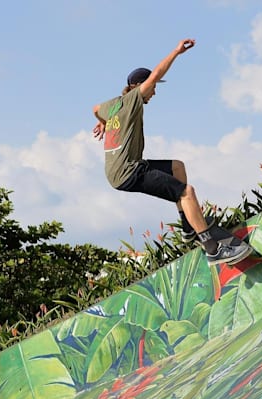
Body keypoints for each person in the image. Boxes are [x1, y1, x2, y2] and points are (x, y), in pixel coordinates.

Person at [93, 38, 252, 266]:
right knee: (186, 192)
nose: (154, 93)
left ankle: (188, 227)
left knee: (177, 167)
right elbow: (156, 72)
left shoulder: (114, 105)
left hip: (124, 169)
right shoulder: (133, 99)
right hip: (128, 172)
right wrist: (177, 51)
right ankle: (212, 248)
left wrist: (103, 122)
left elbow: (95, 108)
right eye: (153, 88)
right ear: (140, 85)